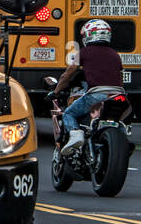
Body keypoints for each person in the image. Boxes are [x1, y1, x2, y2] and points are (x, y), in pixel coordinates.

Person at [51, 19, 124, 153]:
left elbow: (67, 75)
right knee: (119, 121)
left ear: (89, 35)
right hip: (119, 96)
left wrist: (56, 92)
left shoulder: (84, 52)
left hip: (97, 95)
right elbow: (120, 78)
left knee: (68, 114)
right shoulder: (115, 55)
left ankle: (76, 135)